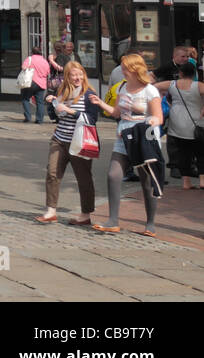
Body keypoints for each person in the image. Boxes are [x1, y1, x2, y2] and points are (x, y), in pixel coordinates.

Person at [94, 53, 164, 236]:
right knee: (113, 174)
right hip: (124, 137)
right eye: (122, 68)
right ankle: (113, 220)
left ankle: (150, 224)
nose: (122, 71)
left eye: (126, 68)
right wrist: (101, 103)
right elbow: (117, 112)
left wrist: (150, 122)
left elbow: (158, 117)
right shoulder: (122, 88)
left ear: (135, 70)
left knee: (146, 181)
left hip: (144, 139)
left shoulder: (149, 90)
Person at [36, 61, 114, 226]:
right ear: (67, 77)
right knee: (52, 173)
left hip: (79, 142)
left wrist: (70, 111)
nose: (78, 78)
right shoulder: (62, 91)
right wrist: (52, 103)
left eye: (80, 74)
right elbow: (55, 116)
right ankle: (51, 211)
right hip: (60, 138)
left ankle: (85, 215)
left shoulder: (88, 94)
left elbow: (92, 119)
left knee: (83, 178)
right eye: (74, 75)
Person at [164, 57, 203, 190]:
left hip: (177, 124)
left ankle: (186, 182)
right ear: (194, 74)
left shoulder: (172, 84)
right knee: (200, 152)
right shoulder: (198, 86)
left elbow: (153, 86)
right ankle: (203, 180)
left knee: (183, 153)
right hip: (197, 123)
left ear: (180, 73)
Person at [20, 48, 50, 124]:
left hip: (30, 82)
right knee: (40, 102)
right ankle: (39, 120)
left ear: (31, 52)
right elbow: (47, 72)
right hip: (41, 84)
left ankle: (28, 117)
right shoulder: (45, 61)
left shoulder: (29, 59)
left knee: (25, 99)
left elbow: (23, 67)